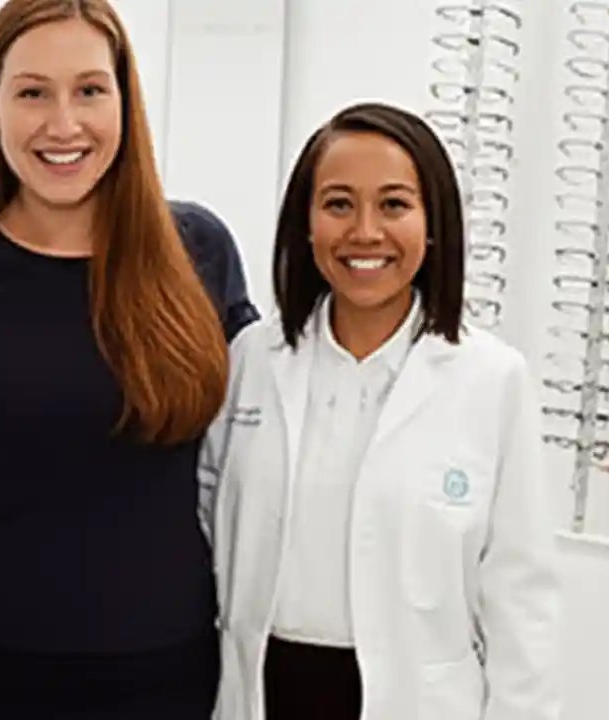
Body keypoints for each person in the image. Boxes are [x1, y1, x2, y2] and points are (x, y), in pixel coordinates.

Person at [0, 1, 259, 717]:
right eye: (32, 92)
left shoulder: (197, 250)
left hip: (160, 673)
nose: (64, 124)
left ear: (125, 99)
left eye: (90, 89)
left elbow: (247, 447)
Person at [199, 101, 563, 720]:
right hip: (262, 690)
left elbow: (521, 603)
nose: (364, 232)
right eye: (339, 204)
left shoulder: (491, 380)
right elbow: (206, 526)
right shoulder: (252, 359)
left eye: (393, 204)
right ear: (306, 224)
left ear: (432, 224)